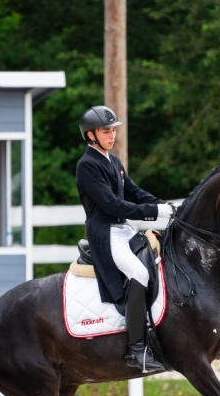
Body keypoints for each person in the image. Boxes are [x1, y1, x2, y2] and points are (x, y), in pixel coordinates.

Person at [75, 105, 175, 372]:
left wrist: (166, 206)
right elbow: (111, 205)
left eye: (113, 130)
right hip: (105, 232)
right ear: (91, 135)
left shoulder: (113, 161)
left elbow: (133, 191)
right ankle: (137, 351)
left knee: (157, 262)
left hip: (122, 229)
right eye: (106, 131)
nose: (111, 135)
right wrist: (154, 212)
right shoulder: (87, 165)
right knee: (139, 274)